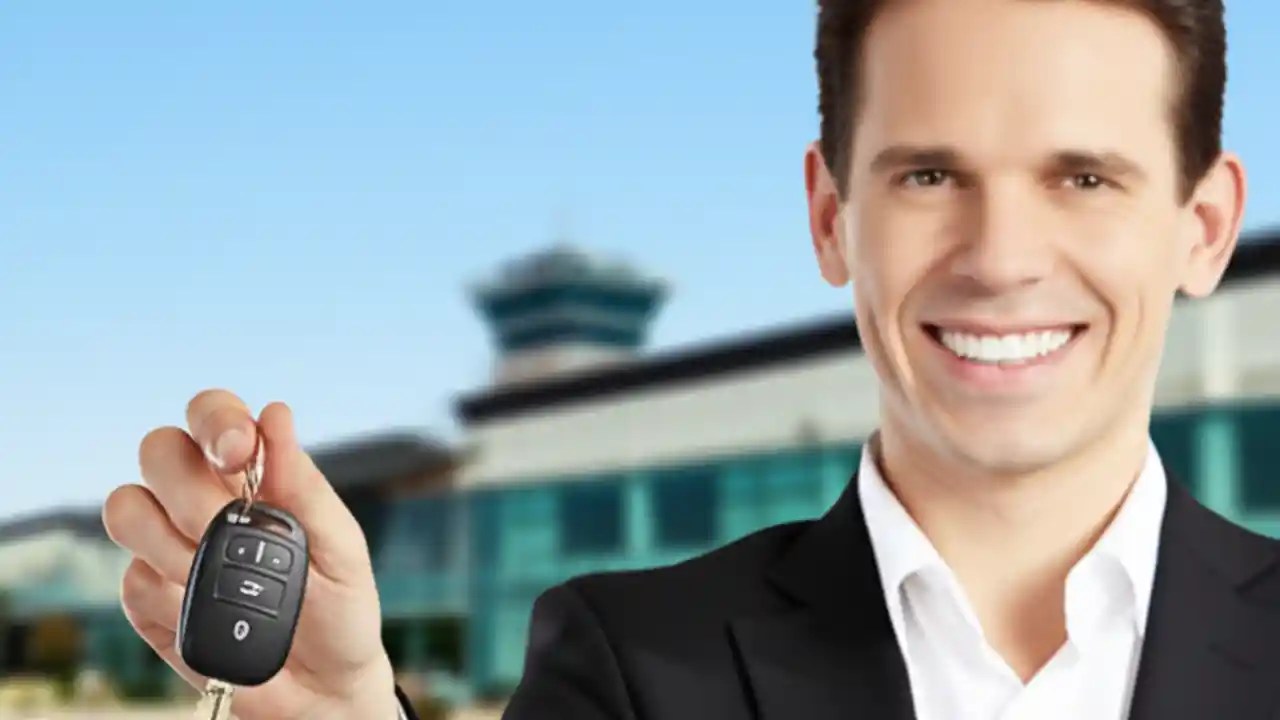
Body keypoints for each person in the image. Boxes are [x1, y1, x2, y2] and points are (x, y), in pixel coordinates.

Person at [101, 0, 1267, 717]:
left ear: (1201, 225)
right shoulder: (629, 665)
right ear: (828, 218)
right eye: (927, 174)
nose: (1001, 257)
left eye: (1082, 178)